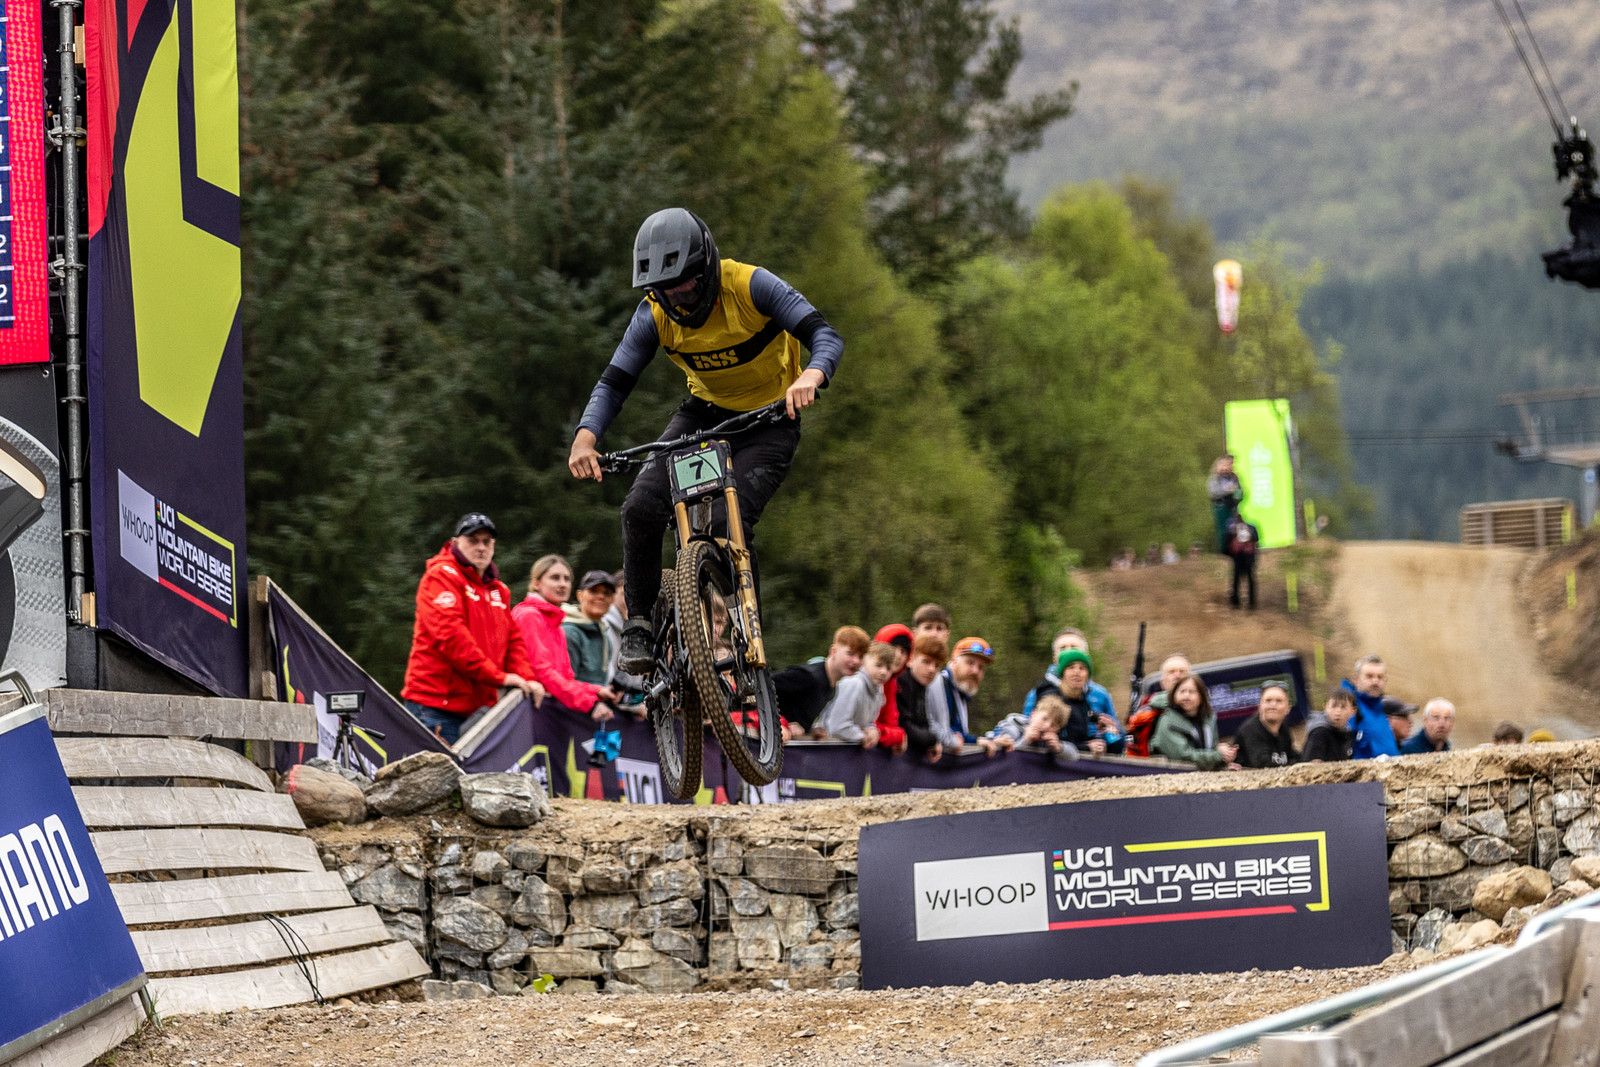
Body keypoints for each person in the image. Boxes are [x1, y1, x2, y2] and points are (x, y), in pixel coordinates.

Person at [568, 208, 844, 677]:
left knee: (724, 522)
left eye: (687, 286)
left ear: (709, 267)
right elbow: (614, 382)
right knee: (640, 508)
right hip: (704, 416)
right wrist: (585, 439)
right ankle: (639, 625)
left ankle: (743, 627)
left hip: (771, 419)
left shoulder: (751, 286)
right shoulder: (654, 314)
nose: (678, 298)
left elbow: (823, 333)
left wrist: (812, 375)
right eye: (666, 291)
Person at [401, 513, 542, 744]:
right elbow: (452, 638)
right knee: (438, 770)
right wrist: (500, 678)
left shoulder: (498, 590)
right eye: (473, 541)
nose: (481, 548)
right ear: (455, 543)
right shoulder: (440, 576)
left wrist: (526, 679)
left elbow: (513, 641)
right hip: (435, 707)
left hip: (479, 711)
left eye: (486, 542)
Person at [512, 555, 622, 724]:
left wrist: (595, 690)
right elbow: (542, 672)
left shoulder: (555, 622)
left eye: (567, 579)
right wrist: (590, 704)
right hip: (526, 713)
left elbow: (566, 678)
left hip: (542, 712)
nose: (563, 584)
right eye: (555, 578)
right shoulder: (530, 616)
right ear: (536, 583)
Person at [772, 625, 868, 740]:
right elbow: (761, 688)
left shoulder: (832, 686)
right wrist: (782, 722)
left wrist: (810, 729)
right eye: (850, 654)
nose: (856, 661)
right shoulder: (808, 677)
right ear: (833, 651)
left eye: (861, 657)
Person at [1022, 628, 1116, 722]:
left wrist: (1108, 728)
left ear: (1085, 655)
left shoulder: (1100, 694)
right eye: (1062, 648)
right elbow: (1026, 726)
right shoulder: (1038, 693)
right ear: (1054, 657)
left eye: (1074, 647)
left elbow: (1117, 728)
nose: (1068, 652)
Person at [1041, 648, 1124, 756]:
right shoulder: (1051, 699)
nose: (1077, 672)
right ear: (1062, 673)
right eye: (1071, 667)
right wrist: (1087, 747)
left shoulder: (1083, 703)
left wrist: (1106, 736)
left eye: (1082, 668)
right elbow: (1048, 742)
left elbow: (1079, 739)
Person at [1149, 673, 1238, 770]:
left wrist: (1224, 762)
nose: (1186, 696)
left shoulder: (1208, 719)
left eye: (1192, 692)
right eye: (1182, 691)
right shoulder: (1167, 721)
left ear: (1202, 696)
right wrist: (1218, 756)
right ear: (1174, 695)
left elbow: (1209, 753)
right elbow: (1182, 756)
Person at [816, 642, 895, 747]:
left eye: (888, 668)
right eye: (878, 665)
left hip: (846, 748)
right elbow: (837, 727)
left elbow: (867, 722)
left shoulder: (878, 689)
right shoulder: (854, 683)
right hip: (826, 747)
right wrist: (863, 736)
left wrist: (872, 730)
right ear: (864, 661)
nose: (884, 672)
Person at [925, 636, 992, 750]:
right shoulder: (937, 683)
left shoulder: (960, 691)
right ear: (954, 659)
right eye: (970, 663)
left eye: (981, 668)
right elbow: (940, 729)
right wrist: (975, 741)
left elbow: (958, 733)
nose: (975, 671)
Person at [898, 635, 949, 760]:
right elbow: (905, 726)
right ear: (911, 659)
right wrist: (932, 740)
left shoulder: (921, 686)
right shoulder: (901, 681)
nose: (931, 669)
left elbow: (922, 723)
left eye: (937, 666)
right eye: (926, 662)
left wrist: (932, 742)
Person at [564, 570, 618, 686]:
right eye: (594, 591)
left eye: (607, 593)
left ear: (612, 600)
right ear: (580, 595)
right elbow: (567, 682)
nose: (601, 597)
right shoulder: (569, 632)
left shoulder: (603, 633)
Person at [1340, 654, 1400, 759]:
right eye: (1369, 676)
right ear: (1356, 679)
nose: (1375, 681)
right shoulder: (1348, 708)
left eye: (1380, 677)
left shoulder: (1379, 707)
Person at [871, 624, 914, 755]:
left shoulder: (892, 682)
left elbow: (891, 722)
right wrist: (897, 736)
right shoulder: (865, 679)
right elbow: (867, 728)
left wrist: (897, 735)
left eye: (904, 651)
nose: (899, 655)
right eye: (893, 648)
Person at [1234, 682, 1300, 768]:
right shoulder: (1251, 730)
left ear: (1288, 708)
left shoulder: (1283, 729)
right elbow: (1262, 763)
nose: (1273, 705)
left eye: (1279, 701)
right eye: (1268, 701)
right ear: (1260, 706)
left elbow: (1294, 757)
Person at [979, 699, 1070, 757]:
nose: (1047, 726)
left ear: (1058, 730)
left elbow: (1074, 755)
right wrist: (1026, 739)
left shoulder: (1049, 741)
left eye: (1053, 725)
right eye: (1044, 719)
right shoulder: (1012, 729)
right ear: (1033, 714)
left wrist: (1058, 747)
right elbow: (1007, 754)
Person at [1302, 689, 1357, 763]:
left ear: (1353, 711)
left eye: (1343, 707)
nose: (1338, 712)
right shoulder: (1319, 733)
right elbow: (1313, 763)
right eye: (1334, 706)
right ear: (1325, 707)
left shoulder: (1348, 733)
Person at [1208, 454, 1243, 553]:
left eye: (1227, 465)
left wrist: (1238, 496)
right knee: (1222, 529)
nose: (1225, 468)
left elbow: (1239, 491)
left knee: (1233, 528)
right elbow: (1213, 493)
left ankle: (1234, 548)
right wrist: (1226, 490)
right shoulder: (1214, 479)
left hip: (1232, 506)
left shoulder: (1233, 478)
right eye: (1222, 465)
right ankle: (1223, 549)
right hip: (1220, 506)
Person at [1224, 517, 1259, 610]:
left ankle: (1237, 602)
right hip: (1246, 557)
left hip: (1239, 557)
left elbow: (1227, 542)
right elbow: (1256, 540)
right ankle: (1250, 602)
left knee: (1237, 579)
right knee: (1248, 579)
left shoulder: (1232, 529)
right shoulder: (1250, 528)